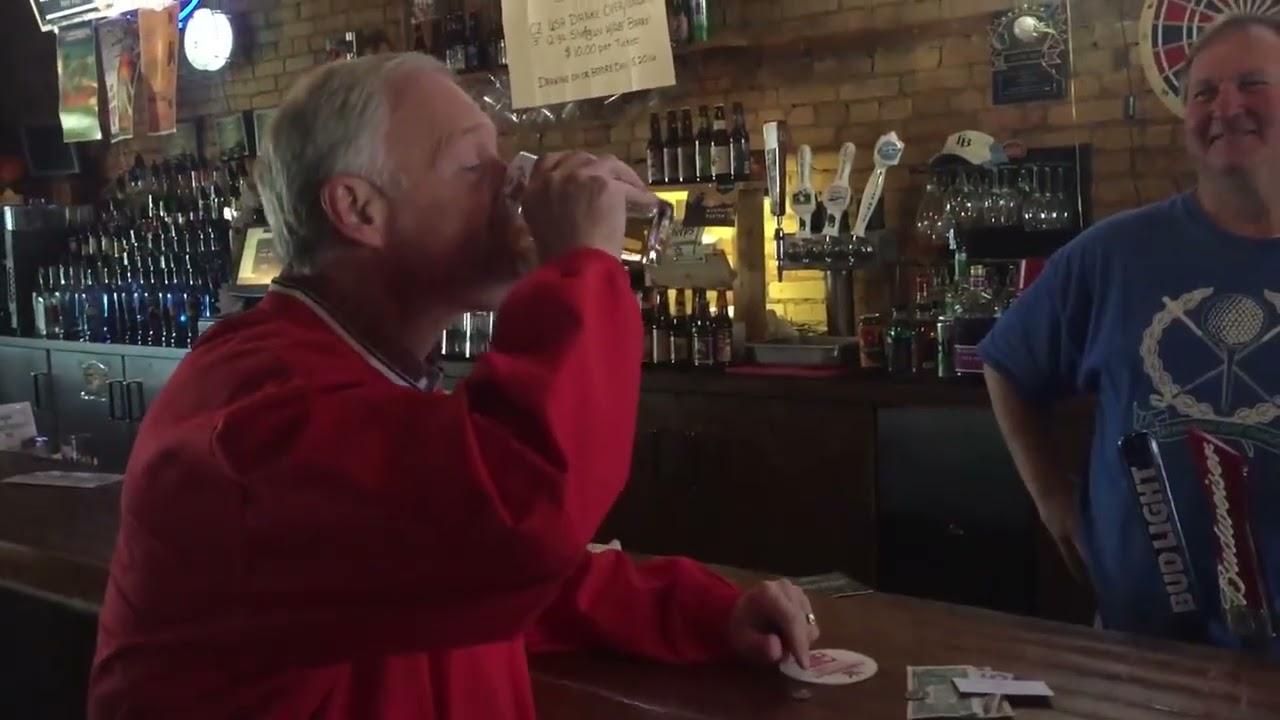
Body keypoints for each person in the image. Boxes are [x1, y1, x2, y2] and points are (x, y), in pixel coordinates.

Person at [89, 53, 819, 718]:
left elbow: (464, 573)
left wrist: (701, 615)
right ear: (359, 210)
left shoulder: (360, 369)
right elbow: (512, 521)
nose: (514, 185)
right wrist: (583, 268)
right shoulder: (247, 426)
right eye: (474, 166)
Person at [981, 14, 1280, 656]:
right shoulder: (1114, 255)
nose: (1225, 107)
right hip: (1142, 651)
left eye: (1252, 83)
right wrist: (1052, 499)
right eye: (1203, 93)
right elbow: (1005, 360)